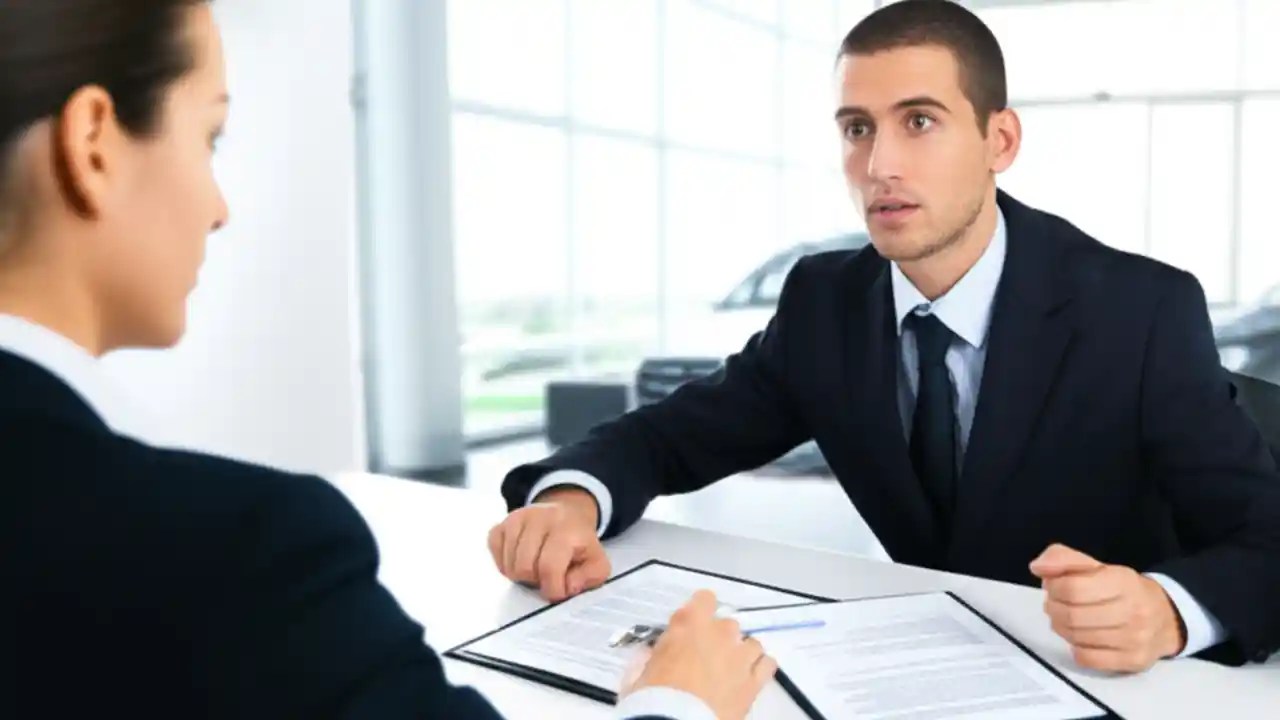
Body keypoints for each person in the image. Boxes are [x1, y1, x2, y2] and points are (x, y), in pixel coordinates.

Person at [0, 2, 776, 719]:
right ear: (93, 143)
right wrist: (679, 702)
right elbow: (671, 433)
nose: (220, 206)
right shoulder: (233, 555)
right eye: (210, 138)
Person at [491, 0, 1280, 673]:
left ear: (999, 141)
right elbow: (671, 438)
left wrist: (1170, 613)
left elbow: (1267, 541)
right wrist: (569, 498)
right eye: (857, 128)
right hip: (908, 672)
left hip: (1115, 682)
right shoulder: (823, 302)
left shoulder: (1140, 312)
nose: (880, 164)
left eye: (920, 121)